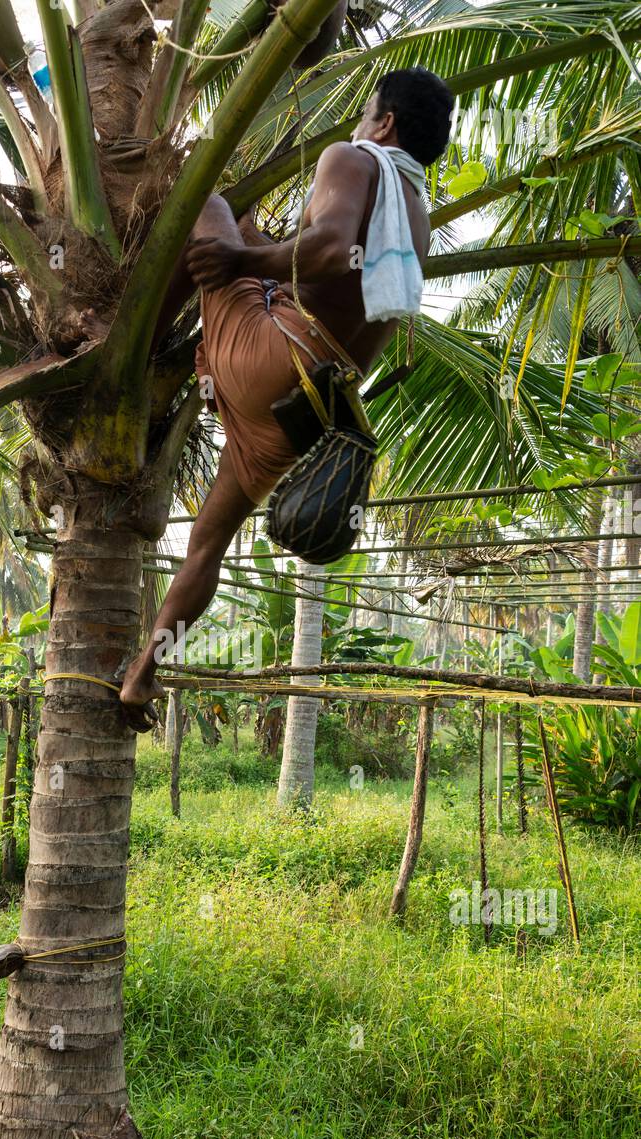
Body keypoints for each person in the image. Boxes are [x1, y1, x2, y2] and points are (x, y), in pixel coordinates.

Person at [120, 67, 454, 729]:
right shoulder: (413, 211)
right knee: (205, 548)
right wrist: (260, 264)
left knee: (210, 206)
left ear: (384, 123)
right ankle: (139, 678)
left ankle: (125, 353)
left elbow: (329, 249)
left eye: (364, 113)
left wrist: (240, 264)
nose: (358, 124)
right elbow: (339, 275)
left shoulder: (354, 157)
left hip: (275, 359)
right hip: (300, 414)